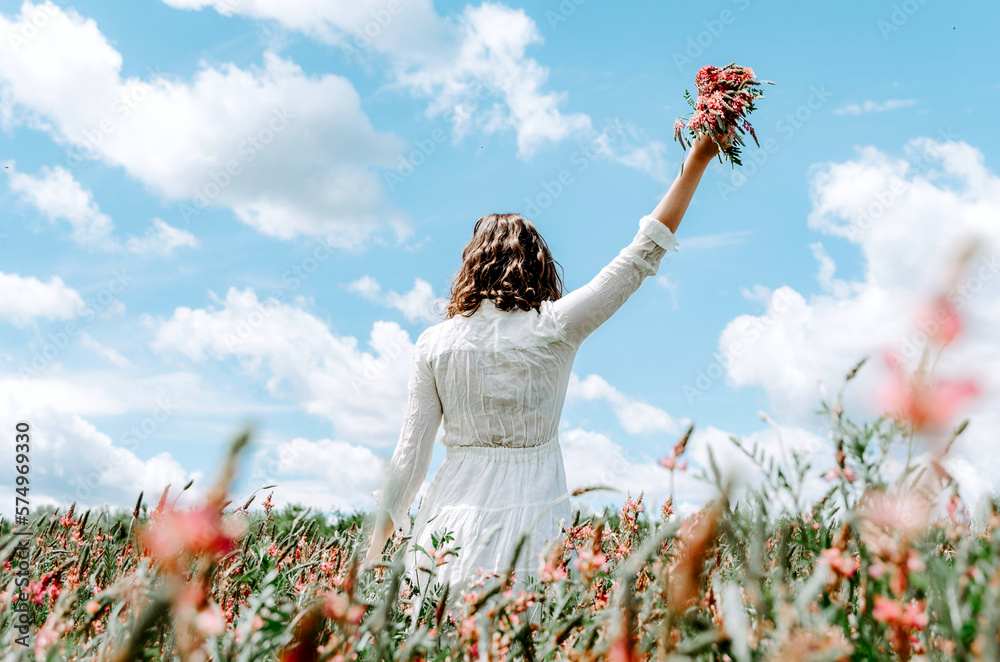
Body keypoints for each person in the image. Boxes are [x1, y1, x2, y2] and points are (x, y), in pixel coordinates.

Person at [365, 132, 722, 593]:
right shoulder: (556, 327)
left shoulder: (435, 344)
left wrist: (373, 559)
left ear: (470, 266)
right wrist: (698, 159)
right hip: (535, 540)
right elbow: (640, 255)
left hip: (442, 540)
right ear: (539, 264)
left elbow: (409, 461)